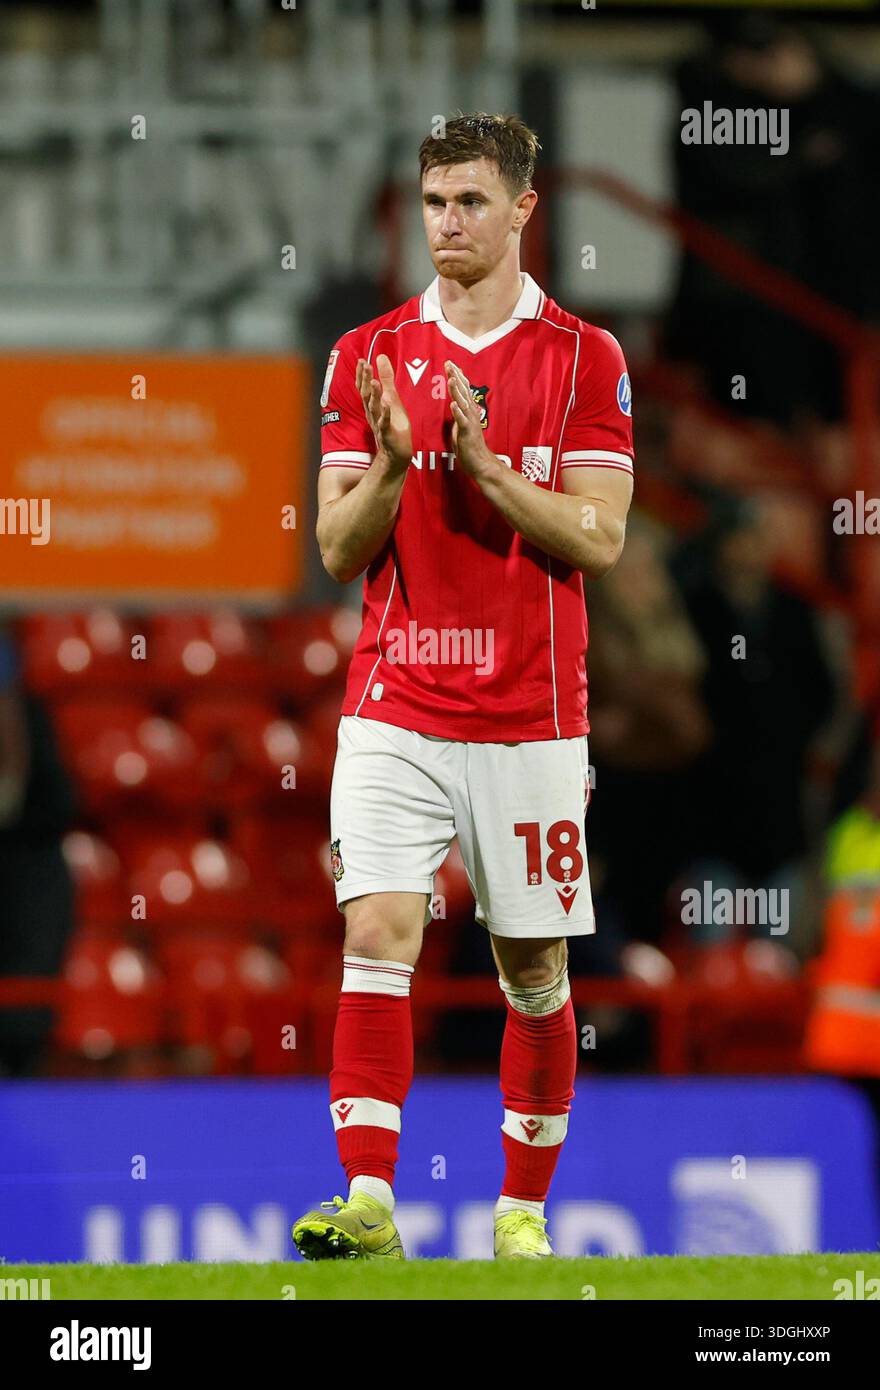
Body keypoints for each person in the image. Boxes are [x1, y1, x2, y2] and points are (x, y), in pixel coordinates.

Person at [292, 113, 634, 1261]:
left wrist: (485, 472)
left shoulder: (586, 358)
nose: (448, 222)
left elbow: (600, 538)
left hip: (533, 714)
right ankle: (372, 1201)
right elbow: (339, 551)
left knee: (533, 968)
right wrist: (394, 462)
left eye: (472, 202)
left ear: (524, 209)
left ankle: (522, 1212)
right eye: (435, 202)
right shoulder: (367, 355)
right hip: (396, 699)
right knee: (379, 925)